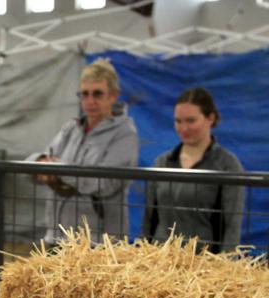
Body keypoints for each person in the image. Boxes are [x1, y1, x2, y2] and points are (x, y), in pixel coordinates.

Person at [34, 58, 139, 246]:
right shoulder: (70, 129)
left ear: (114, 95)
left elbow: (106, 183)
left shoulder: (125, 134)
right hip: (58, 237)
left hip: (100, 243)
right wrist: (40, 161)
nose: (90, 101)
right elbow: (41, 161)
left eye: (97, 94)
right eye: (85, 94)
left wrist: (58, 171)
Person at [144, 87, 245, 253]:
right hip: (158, 262)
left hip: (203, 263)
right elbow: (149, 218)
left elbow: (232, 225)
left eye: (191, 121)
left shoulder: (227, 165)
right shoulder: (161, 162)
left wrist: (225, 265)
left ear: (210, 118)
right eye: (178, 121)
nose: (183, 128)